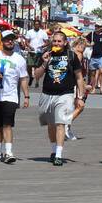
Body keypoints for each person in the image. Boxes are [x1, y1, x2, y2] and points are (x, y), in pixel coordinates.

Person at [34, 28, 86, 166]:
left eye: (59, 41)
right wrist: (45, 62)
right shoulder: (46, 55)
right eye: (55, 41)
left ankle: (59, 154)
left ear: (65, 42)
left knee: (60, 123)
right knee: (50, 125)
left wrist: (80, 96)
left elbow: (79, 77)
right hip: (47, 93)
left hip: (65, 94)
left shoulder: (71, 56)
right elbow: (36, 75)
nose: (57, 43)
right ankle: (53, 150)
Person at [0, 29, 29, 163]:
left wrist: (26, 96)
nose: (10, 41)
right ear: (2, 41)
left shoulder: (19, 59)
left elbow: (23, 78)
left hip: (11, 96)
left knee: (7, 124)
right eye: (7, 39)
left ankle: (8, 152)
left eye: (12, 39)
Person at [88, 26, 102, 95]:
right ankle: (93, 88)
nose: (97, 28)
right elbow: (83, 40)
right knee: (92, 74)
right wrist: (89, 44)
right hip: (92, 56)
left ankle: (101, 88)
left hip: (101, 56)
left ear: (101, 28)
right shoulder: (91, 34)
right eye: (96, 26)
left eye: (99, 27)